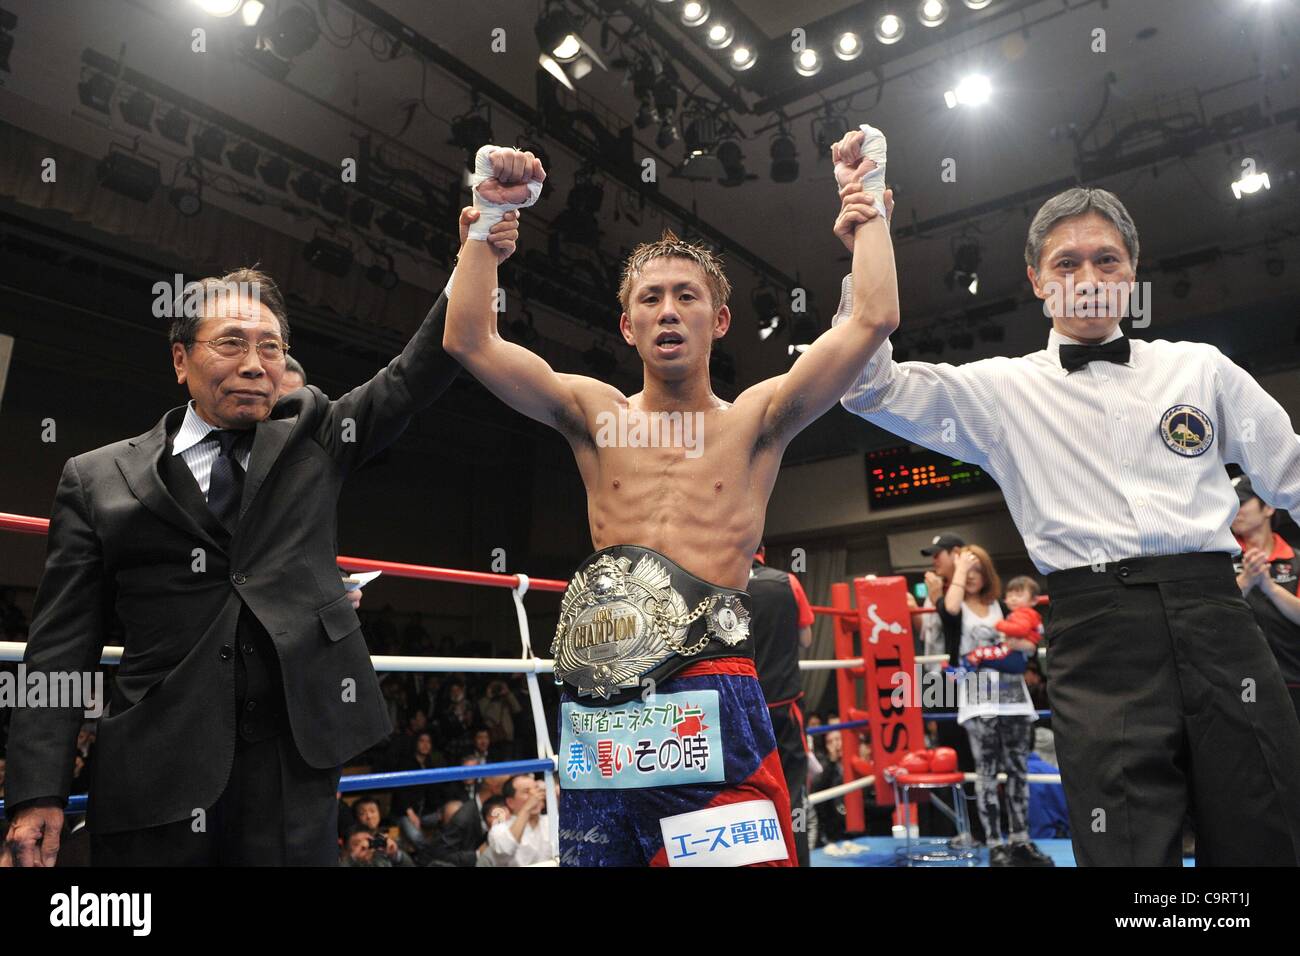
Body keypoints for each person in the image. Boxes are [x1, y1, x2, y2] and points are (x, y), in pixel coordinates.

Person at [2, 211, 522, 868]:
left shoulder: (314, 434)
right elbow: (59, 648)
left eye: (270, 347)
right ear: (180, 359)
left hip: (290, 767)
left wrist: (479, 246)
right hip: (157, 770)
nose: (255, 364)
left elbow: (417, 371)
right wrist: (37, 791)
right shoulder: (97, 477)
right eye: (232, 343)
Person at [829, 146, 1300, 865]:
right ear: (1037, 282)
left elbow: (1292, 470)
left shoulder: (1199, 368)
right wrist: (871, 242)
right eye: (1067, 264)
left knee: (1266, 827)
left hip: (1217, 618)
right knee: (1127, 851)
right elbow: (869, 388)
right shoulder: (1001, 391)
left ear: (1131, 274)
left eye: (1106, 261)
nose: (1087, 279)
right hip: (1097, 632)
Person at [443, 135, 898, 866]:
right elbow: (468, 339)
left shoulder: (755, 420)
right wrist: (485, 221)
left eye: (687, 297)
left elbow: (871, 319)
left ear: (718, 321)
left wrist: (868, 204)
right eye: (650, 298)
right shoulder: (594, 414)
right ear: (627, 326)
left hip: (712, 686)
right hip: (604, 698)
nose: (668, 311)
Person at [937, 545, 1051, 866]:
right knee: (987, 772)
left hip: (1013, 698)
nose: (972, 577)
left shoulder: (1003, 606)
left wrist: (1023, 644)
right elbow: (948, 607)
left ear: (987, 574)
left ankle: (1020, 840)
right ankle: (995, 844)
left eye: (977, 570)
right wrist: (960, 566)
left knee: (1017, 770)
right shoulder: (954, 608)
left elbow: (1030, 644)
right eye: (966, 572)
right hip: (978, 700)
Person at [747, 544, 815, 866]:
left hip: (741, 708)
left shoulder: (717, 583)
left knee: (744, 794)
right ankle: (797, 860)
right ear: (763, 549)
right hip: (784, 704)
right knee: (793, 792)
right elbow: (806, 639)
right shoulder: (788, 582)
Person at [1232, 475, 1300, 719]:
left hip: (1293, 678)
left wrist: (1270, 588)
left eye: (1241, 502)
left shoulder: (1296, 558)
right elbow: (1208, 613)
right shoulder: (1219, 558)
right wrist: (1246, 581)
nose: (1234, 510)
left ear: (1268, 507)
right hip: (1238, 682)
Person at [488, 774, 554, 866]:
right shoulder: (498, 830)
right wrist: (527, 809)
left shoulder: (552, 820)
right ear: (510, 802)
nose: (535, 796)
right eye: (527, 792)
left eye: (536, 789)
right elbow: (506, 849)